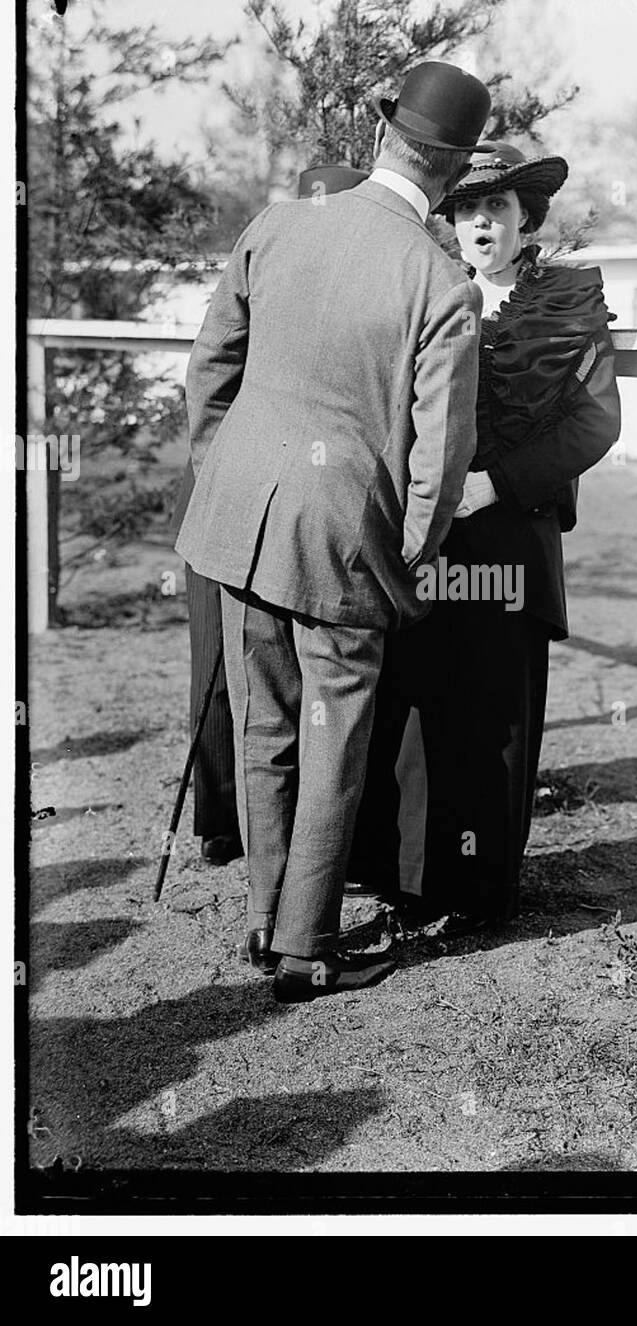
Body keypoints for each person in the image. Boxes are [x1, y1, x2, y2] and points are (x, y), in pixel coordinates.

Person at [175, 62, 491, 1000]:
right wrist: (410, 548)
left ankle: (267, 920)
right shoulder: (441, 282)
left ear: (385, 130)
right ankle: (306, 949)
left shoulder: (278, 223)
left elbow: (208, 372)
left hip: (240, 518)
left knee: (264, 721)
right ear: (458, 167)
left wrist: (226, 477)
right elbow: (439, 456)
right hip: (342, 538)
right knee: (331, 734)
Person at [349, 142, 621, 934]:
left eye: (496, 209)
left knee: (493, 715)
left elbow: (595, 420)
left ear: (524, 217)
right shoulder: (433, 291)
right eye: (467, 209)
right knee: (418, 701)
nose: (480, 223)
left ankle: (478, 892)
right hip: (429, 532)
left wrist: (494, 484)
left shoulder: (568, 299)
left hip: (508, 535)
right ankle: (408, 880)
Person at [169, 164, 368, 868]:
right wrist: (217, 465)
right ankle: (231, 835)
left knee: (282, 700)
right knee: (235, 686)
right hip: (239, 499)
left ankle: (279, 885)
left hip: (274, 503)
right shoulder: (275, 265)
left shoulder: (345, 281)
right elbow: (212, 368)